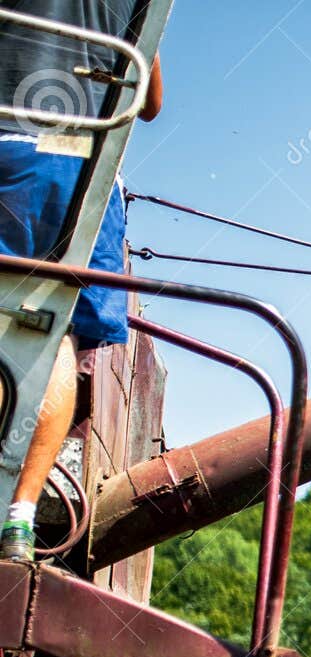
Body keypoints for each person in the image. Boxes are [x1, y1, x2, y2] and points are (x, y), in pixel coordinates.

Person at [0, 0, 161, 561]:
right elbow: (151, 102)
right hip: (78, 165)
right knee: (55, 330)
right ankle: (18, 518)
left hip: (3, 140)